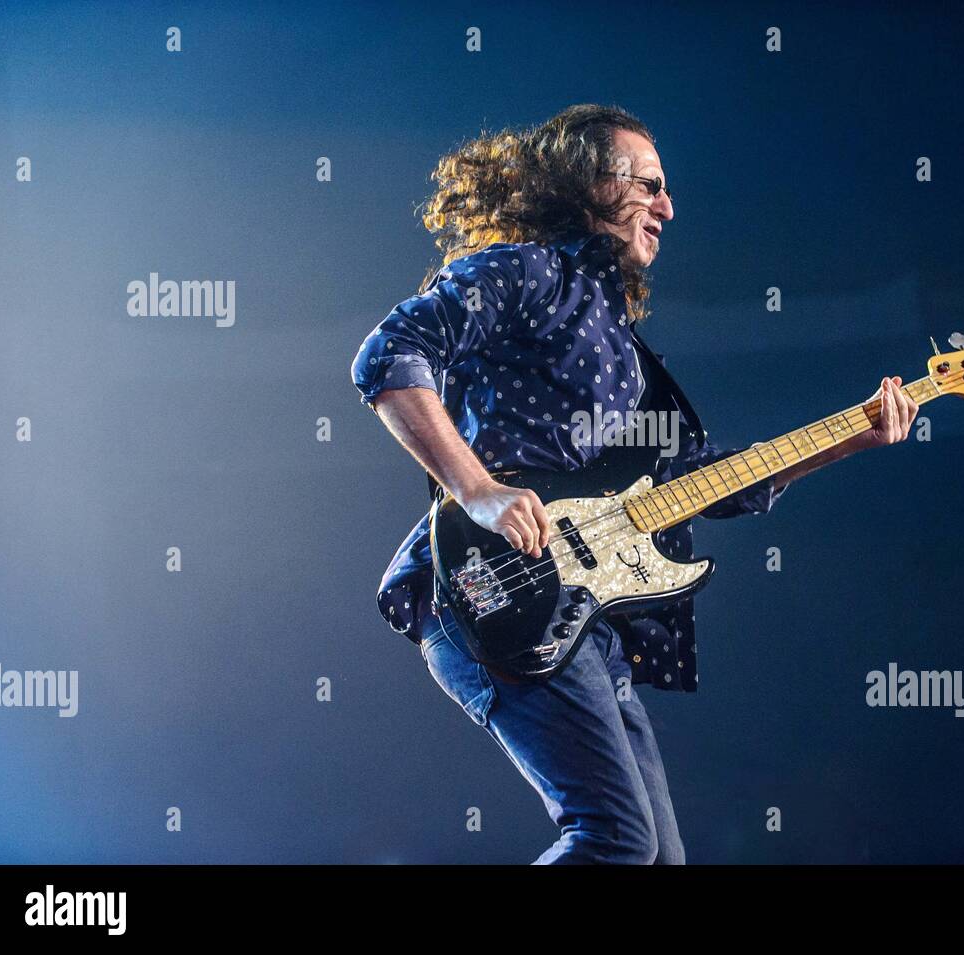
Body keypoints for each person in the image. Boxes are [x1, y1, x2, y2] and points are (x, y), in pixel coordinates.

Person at [350, 104, 919, 863]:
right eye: (648, 184)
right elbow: (389, 355)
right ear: (588, 184)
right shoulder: (526, 270)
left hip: (584, 619)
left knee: (652, 859)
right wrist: (478, 490)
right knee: (613, 841)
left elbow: (706, 478)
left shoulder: (620, 344)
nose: (667, 205)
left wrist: (854, 434)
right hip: (497, 591)